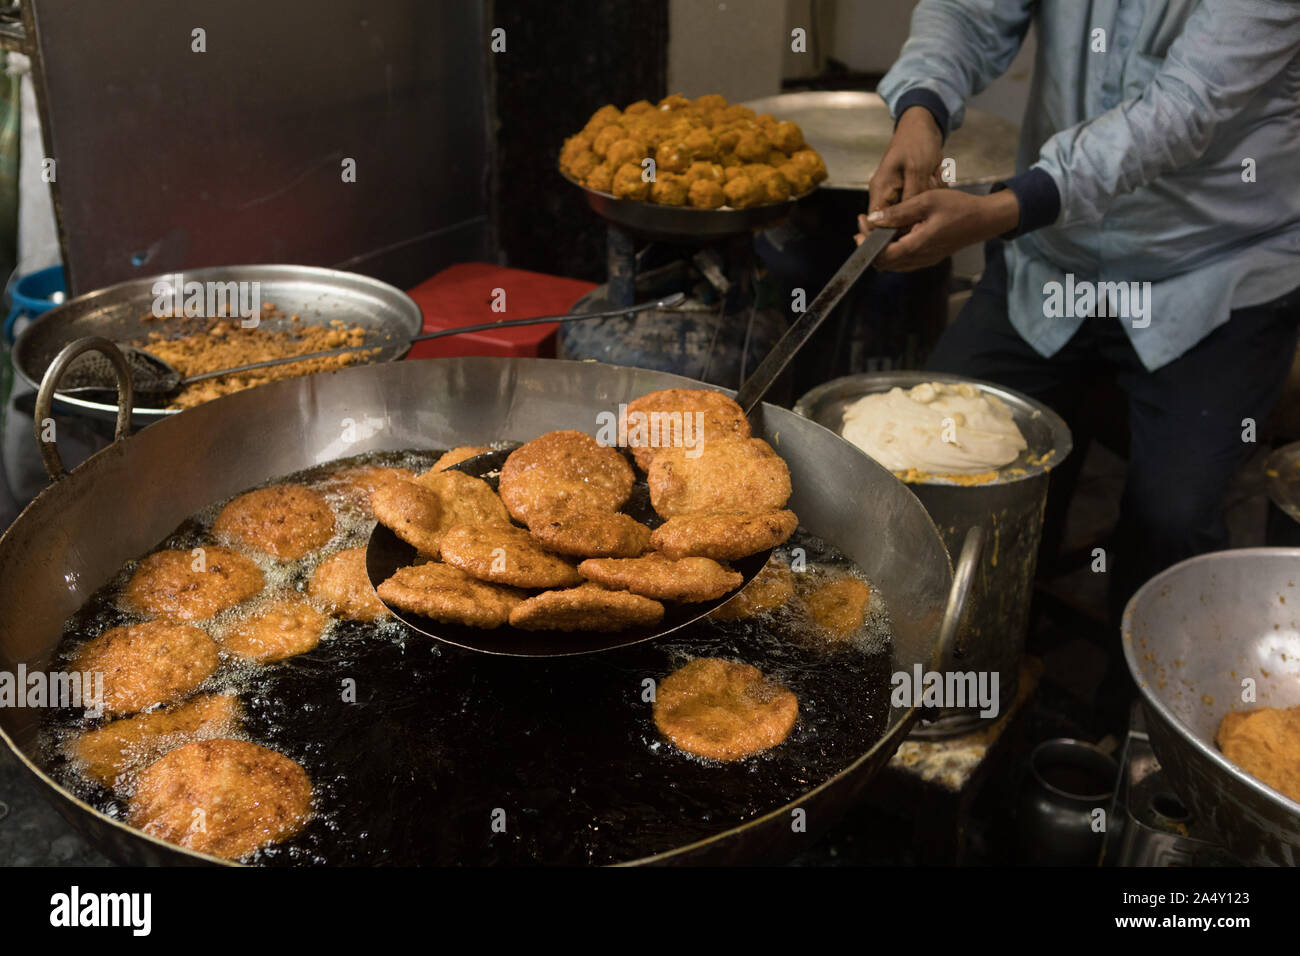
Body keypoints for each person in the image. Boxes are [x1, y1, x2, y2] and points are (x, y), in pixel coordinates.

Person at [859, 1, 1300, 631]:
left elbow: (1182, 109)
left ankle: (1139, 718)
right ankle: (984, 675)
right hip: (1052, 261)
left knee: (1171, 517)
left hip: (1211, 274)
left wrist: (998, 211)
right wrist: (920, 109)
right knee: (934, 480)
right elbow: (968, 9)